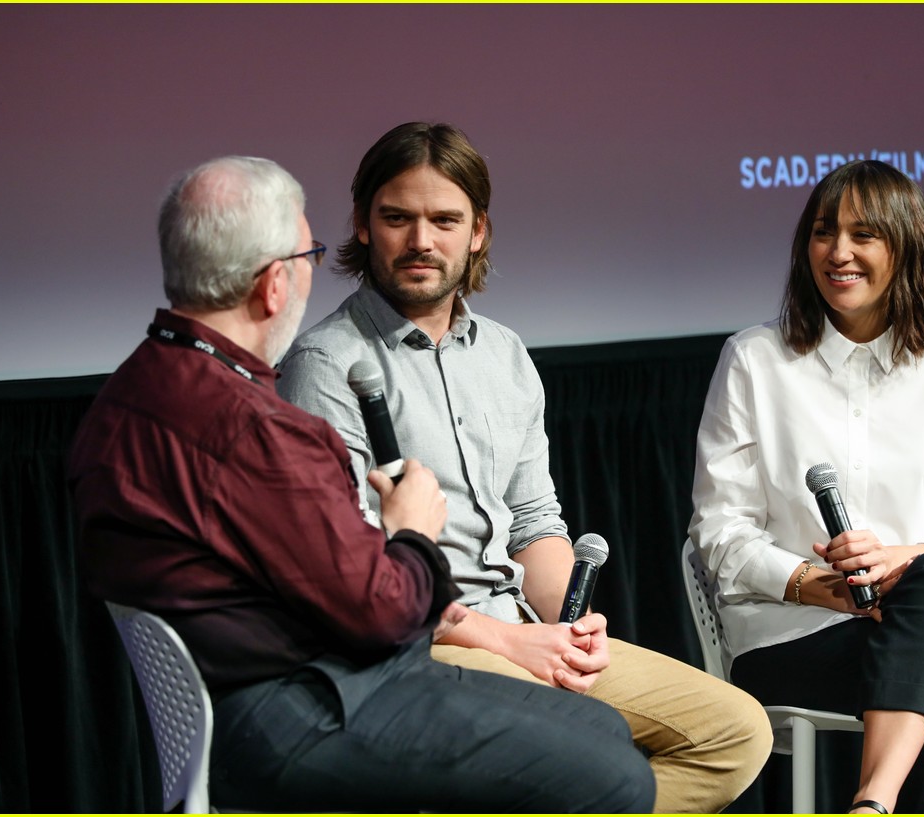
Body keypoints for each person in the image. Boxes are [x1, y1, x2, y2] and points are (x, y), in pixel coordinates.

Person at [67, 155, 655, 813]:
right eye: (309, 256)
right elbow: (383, 616)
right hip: (302, 709)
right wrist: (412, 530)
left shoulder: (128, 392)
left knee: (601, 728)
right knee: (617, 777)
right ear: (274, 285)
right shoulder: (257, 429)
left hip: (262, 696)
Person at [277, 122, 774, 813]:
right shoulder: (325, 365)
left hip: (517, 627)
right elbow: (352, 572)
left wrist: (572, 622)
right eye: (397, 218)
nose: (421, 240)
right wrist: (511, 642)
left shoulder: (505, 354)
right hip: (417, 646)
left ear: (477, 231)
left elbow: (534, 523)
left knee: (735, 732)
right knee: (590, 749)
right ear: (363, 225)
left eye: (444, 220)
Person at [688, 159, 924, 814]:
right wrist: (819, 585)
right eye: (822, 232)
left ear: (906, 246)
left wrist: (900, 565)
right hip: (794, 634)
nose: (838, 252)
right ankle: (874, 801)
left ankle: (871, 800)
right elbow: (718, 531)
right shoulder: (753, 360)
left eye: (862, 234)